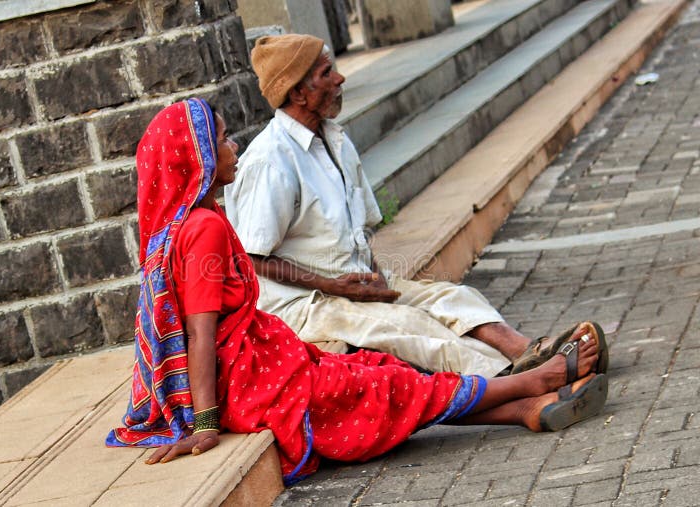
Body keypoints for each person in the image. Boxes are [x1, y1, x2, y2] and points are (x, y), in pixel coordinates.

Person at [106, 98, 608, 482]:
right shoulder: (205, 229)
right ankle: (528, 382)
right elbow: (198, 334)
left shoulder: (199, 219)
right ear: (195, 161)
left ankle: (525, 409)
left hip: (266, 359)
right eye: (220, 141)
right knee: (383, 385)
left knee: (380, 372)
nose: (233, 146)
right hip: (254, 381)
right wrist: (206, 423)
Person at [224, 34, 609, 378]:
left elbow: (358, 230)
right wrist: (332, 285)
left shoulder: (333, 138)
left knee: (449, 298)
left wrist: (372, 276)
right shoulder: (270, 161)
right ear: (298, 93)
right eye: (327, 73)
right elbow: (250, 257)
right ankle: (519, 380)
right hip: (305, 304)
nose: (340, 79)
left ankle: (528, 350)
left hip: (350, 284)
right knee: (413, 327)